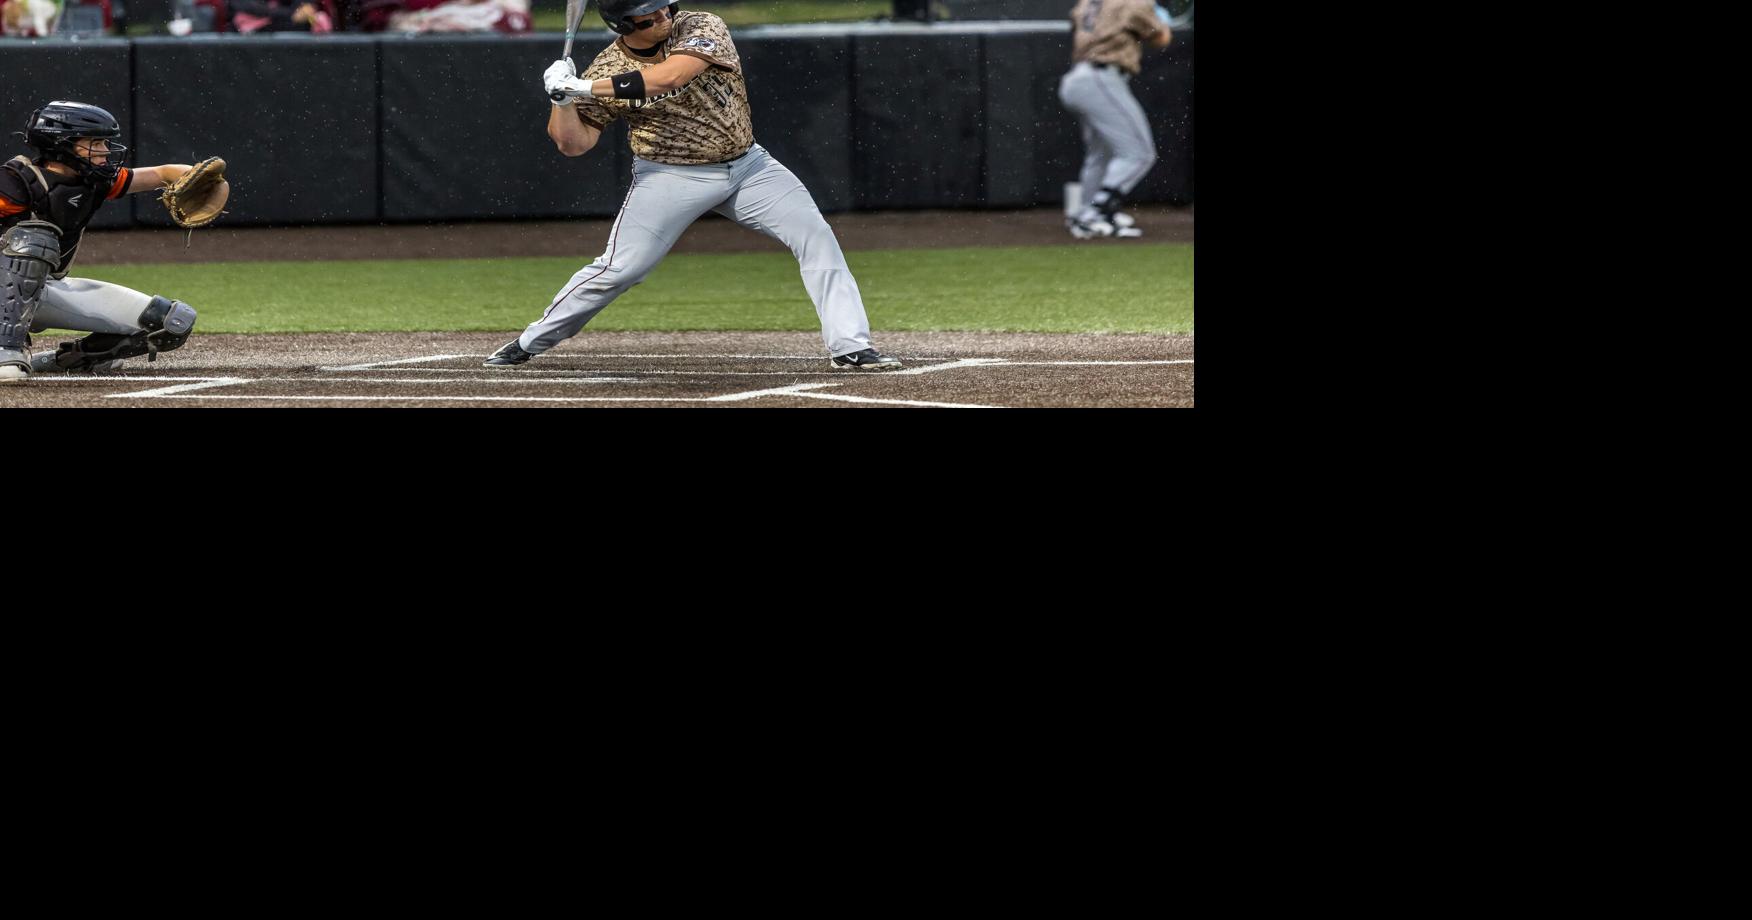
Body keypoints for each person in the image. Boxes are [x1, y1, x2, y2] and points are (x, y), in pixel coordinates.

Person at [487, 0, 901, 370]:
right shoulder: (606, 70)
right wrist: (561, 99)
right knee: (620, 269)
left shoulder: (699, 26)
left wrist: (583, 87)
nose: (665, 16)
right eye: (650, 15)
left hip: (749, 167)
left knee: (816, 238)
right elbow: (573, 144)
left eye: (666, 7)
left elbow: (669, 77)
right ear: (623, 25)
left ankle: (851, 347)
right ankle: (530, 342)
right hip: (669, 175)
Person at [0, 102, 202, 382]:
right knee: (33, 239)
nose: (106, 150)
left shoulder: (93, 181)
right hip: (4, 285)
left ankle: (70, 360)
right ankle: (5, 349)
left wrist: (197, 176)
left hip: (40, 289)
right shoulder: (14, 182)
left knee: (170, 322)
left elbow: (160, 174)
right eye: (95, 142)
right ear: (62, 144)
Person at [1058, 0, 1174, 239]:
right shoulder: (1133, 3)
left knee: (1100, 154)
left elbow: (1079, 23)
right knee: (1139, 153)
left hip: (1079, 77)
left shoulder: (1088, 2)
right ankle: (1097, 212)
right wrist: (1163, 20)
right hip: (1101, 77)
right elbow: (1160, 39)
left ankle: (1084, 215)